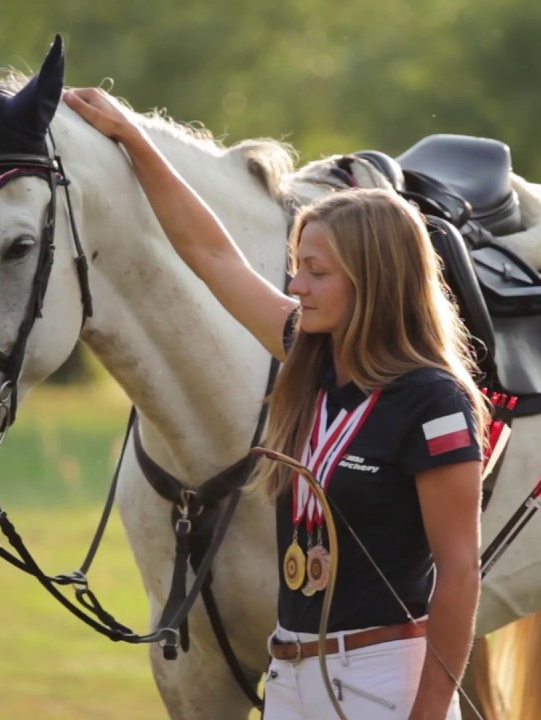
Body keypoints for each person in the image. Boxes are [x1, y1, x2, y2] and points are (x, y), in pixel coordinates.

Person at [64, 87, 487, 720]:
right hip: (289, 674)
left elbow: (458, 573)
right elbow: (209, 254)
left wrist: (428, 712)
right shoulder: (308, 353)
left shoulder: (433, 401)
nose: (295, 286)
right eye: (296, 266)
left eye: (316, 271)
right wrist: (133, 139)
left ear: (372, 280)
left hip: (382, 680)